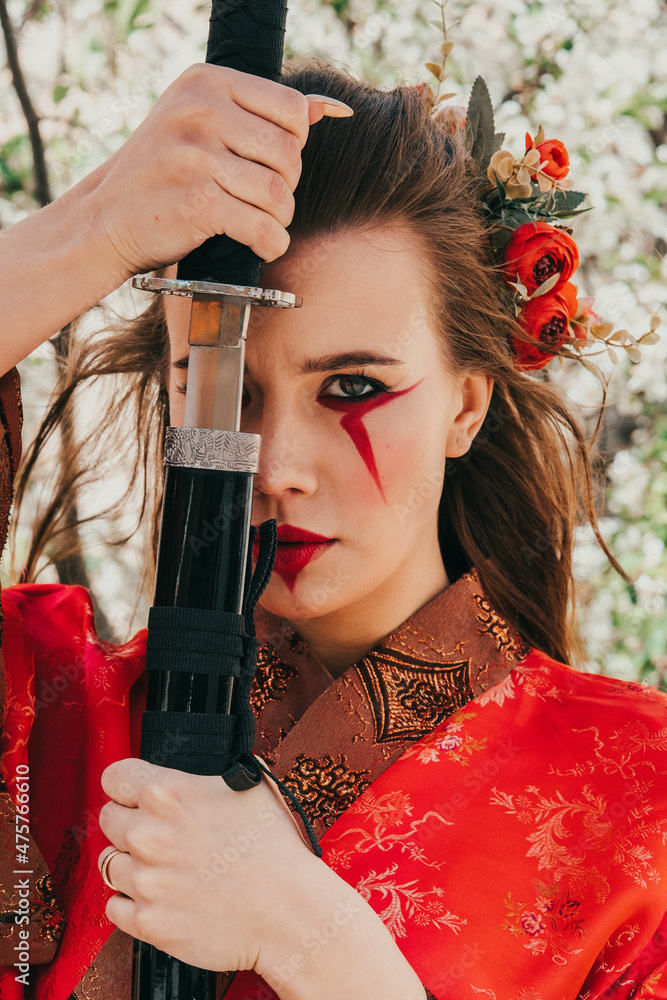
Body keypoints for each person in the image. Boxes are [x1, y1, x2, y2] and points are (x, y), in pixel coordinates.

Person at [0, 58, 666, 1000]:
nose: (275, 467)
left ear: (465, 405)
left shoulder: (642, 805)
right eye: (228, 391)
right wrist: (87, 232)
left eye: (352, 389)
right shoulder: (47, 717)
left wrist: (312, 940)